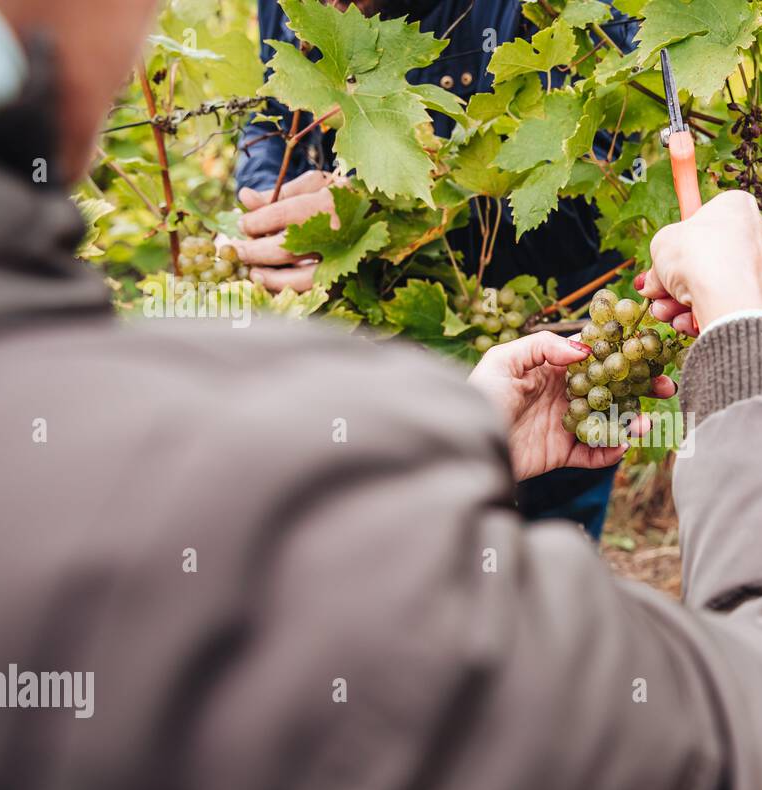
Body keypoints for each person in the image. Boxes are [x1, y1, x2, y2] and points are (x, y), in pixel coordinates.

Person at [0, 0, 762, 790]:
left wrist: (456, 433)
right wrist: (741, 335)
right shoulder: (262, 525)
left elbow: (600, 179)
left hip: (536, 370)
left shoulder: (122, 460)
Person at [236, 0, 637, 539]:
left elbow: (589, 215)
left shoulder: (570, 11)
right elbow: (274, 110)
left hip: (546, 375)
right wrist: (269, 197)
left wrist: (376, 217)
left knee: (539, 582)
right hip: (374, 372)